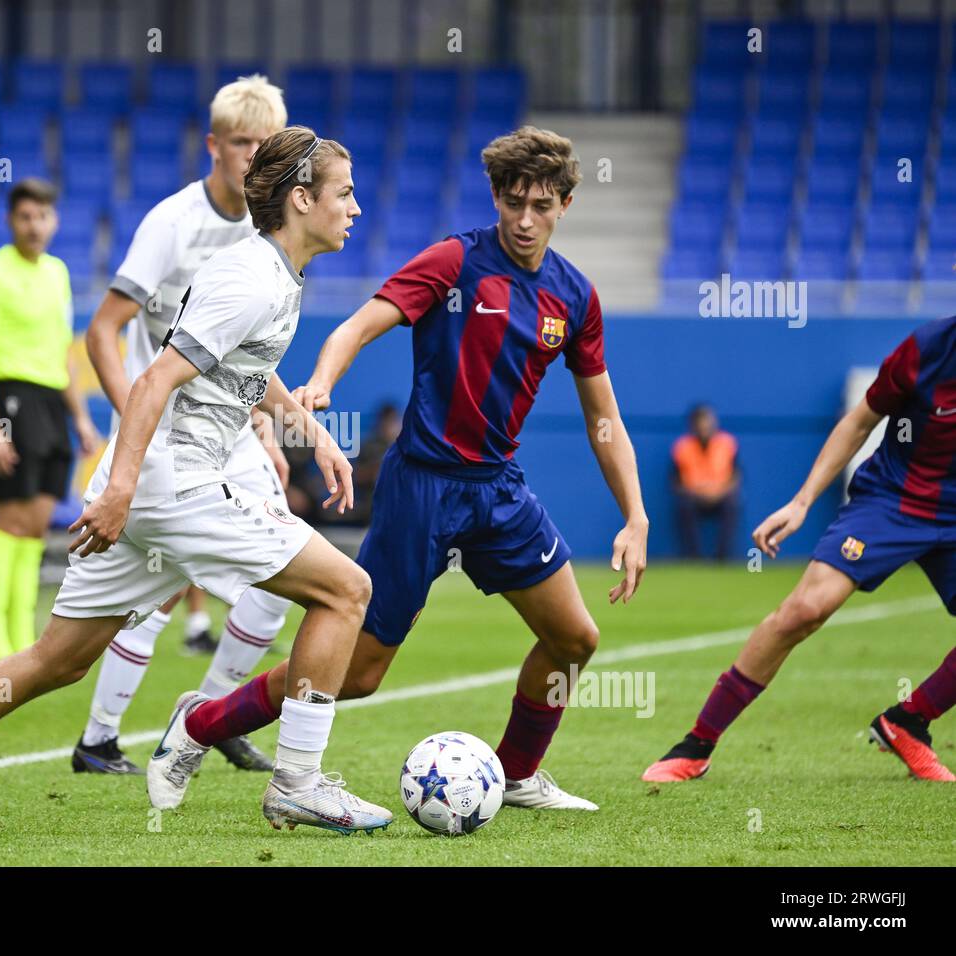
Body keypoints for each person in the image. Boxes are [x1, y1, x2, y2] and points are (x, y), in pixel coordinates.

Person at [0, 126, 394, 836]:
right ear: (300, 199)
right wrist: (123, 488)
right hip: (176, 487)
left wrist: (311, 432)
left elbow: (242, 370)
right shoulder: (253, 278)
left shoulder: (271, 273)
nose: (355, 208)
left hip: (151, 490)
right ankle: (298, 783)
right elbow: (153, 383)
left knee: (54, 661)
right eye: (344, 194)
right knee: (347, 590)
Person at [149, 126, 650, 813]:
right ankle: (199, 722)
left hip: (499, 490)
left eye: (542, 205)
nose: (526, 219)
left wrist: (636, 515)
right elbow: (358, 325)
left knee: (574, 638)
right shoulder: (454, 261)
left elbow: (605, 419)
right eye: (513, 203)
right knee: (356, 676)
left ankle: (517, 774)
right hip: (422, 486)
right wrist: (321, 382)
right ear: (498, 199)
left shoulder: (575, 296)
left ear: (566, 203)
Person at [75, 74, 290, 775]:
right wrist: (131, 426)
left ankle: (216, 715)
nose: (252, 156)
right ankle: (100, 736)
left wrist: (271, 429)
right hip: (168, 435)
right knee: (157, 584)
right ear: (213, 145)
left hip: (229, 434)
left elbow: (241, 352)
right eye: (240, 142)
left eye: (265, 144)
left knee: (276, 583)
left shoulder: (270, 232)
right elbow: (103, 330)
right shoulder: (172, 223)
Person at [644, 317, 956, 783]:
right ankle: (697, 744)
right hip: (892, 503)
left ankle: (907, 722)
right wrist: (802, 501)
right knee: (805, 609)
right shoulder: (928, 349)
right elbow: (859, 420)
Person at [0, 178, 100, 665]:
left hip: (51, 405)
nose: (34, 225)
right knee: (9, 521)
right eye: (25, 217)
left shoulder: (57, 273)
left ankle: (21, 637)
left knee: (37, 524)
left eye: (42, 216)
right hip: (13, 398)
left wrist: (80, 416)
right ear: (10, 221)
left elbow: (64, 351)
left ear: (54, 221)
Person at [671, 403, 741, 560]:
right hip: (694, 497)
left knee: (733, 503)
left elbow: (737, 476)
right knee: (684, 506)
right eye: (700, 423)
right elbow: (675, 482)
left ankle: (723, 557)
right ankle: (693, 557)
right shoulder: (682, 447)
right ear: (693, 426)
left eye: (707, 422)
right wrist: (697, 493)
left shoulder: (727, 443)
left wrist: (720, 493)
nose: (704, 427)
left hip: (721, 496)